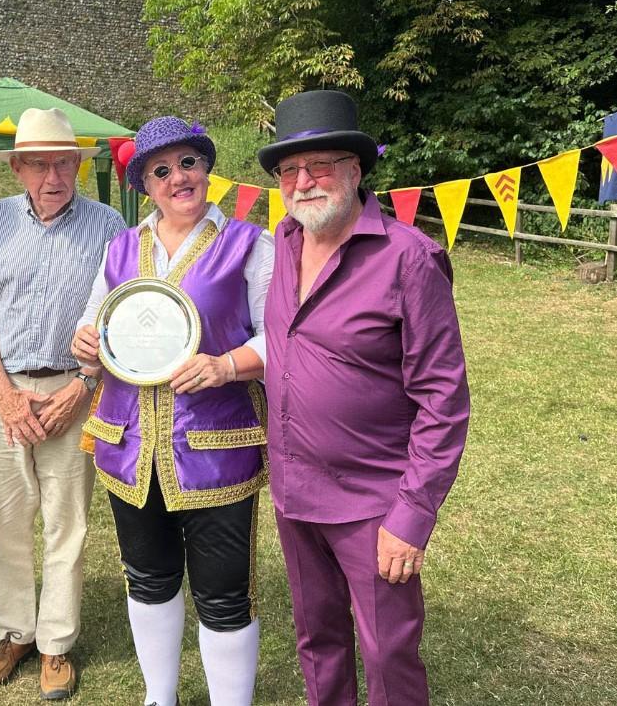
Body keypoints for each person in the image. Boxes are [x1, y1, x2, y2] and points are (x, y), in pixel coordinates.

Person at [257, 90, 470, 705]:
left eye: (318, 166)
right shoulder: (287, 241)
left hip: (374, 501)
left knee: (386, 650)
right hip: (296, 494)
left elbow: (443, 400)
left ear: (355, 170)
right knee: (317, 638)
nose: (302, 182)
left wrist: (411, 516)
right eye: (289, 171)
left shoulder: (409, 260)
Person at [71, 116, 274, 706]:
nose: (177, 178)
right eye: (161, 171)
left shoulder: (249, 245)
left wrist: (227, 365)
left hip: (215, 448)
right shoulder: (119, 249)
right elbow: (97, 329)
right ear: (146, 185)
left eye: (187, 163)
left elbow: (279, 334)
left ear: (206, 168)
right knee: (150, 579)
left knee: (224, 593)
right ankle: (159, 698)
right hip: (130, 447)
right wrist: (86, 345)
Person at [0, 107, 126, 700]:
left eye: (63, 162)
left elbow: (118, 315)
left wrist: (83, 388)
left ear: (79, 164)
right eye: (38, 163)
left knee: (67, 521)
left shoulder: (110, 224)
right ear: (18, 168)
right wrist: (4, 395)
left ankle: (55, 642)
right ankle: (13, 631)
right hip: (0, 387)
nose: (52, 175)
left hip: (74, 388)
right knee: (4, 519)